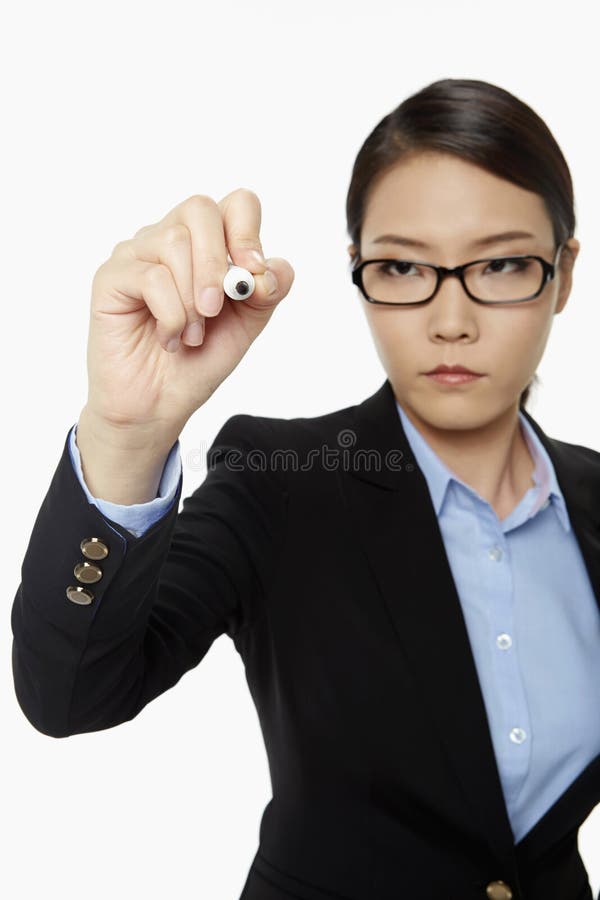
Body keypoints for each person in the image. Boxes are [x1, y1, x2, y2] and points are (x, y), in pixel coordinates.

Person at [10, 77, 600, 900]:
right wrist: (125, 435)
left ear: (563, 275)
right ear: (360, 271)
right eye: (402, 266)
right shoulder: (278, 482)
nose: (451, 319)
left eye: (502, 264)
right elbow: (70, 694)